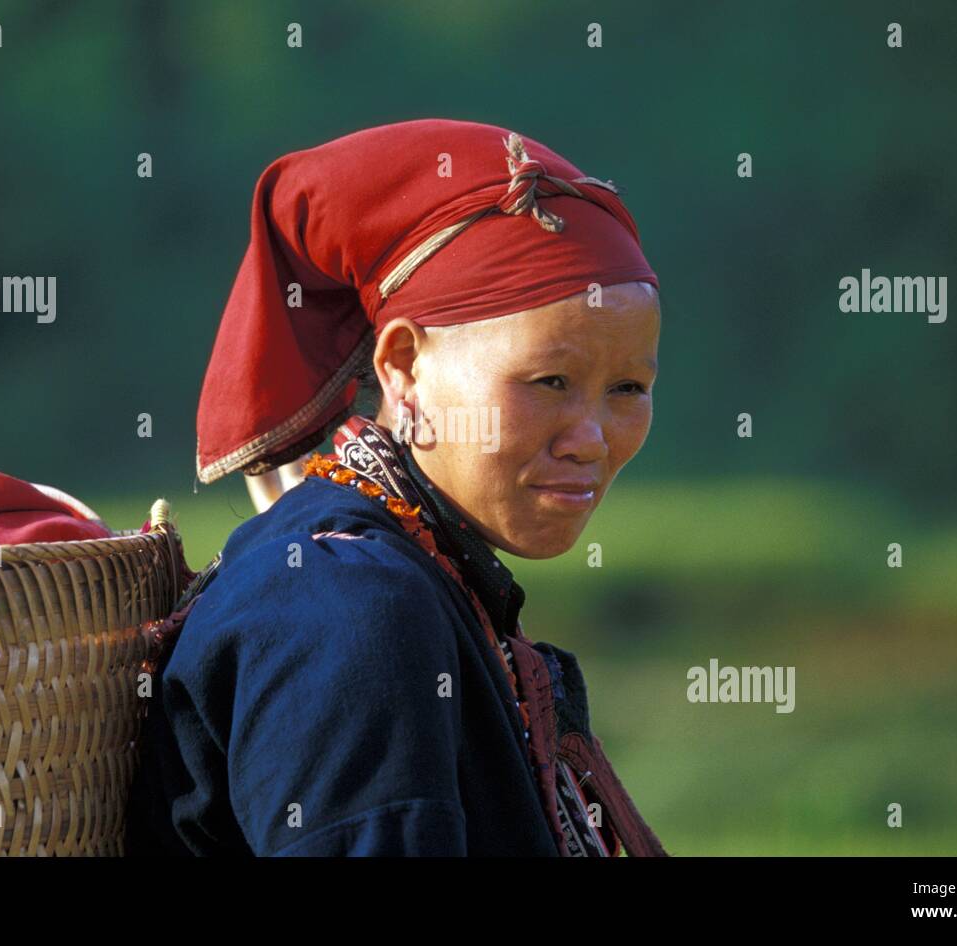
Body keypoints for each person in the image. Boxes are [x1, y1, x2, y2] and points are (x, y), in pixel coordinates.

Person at [124, 118, 668, 856]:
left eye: (628, 387)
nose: (592, 438)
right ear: (405, 367)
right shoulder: (346, 606)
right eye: (550, 381)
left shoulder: (423, 576)